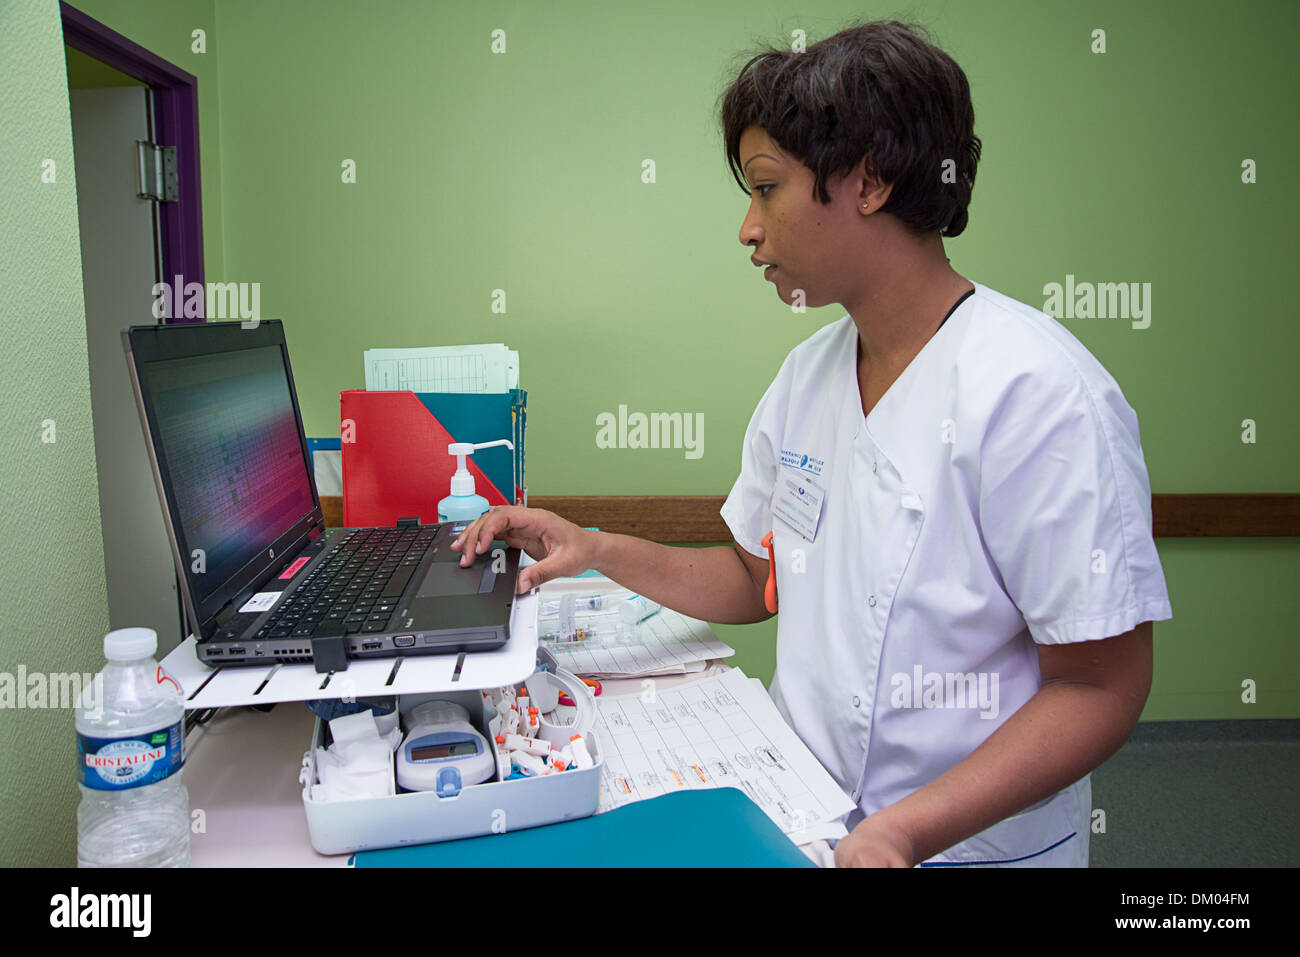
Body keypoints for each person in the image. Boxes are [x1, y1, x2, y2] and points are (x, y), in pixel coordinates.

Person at [451, 20, 1172, 867]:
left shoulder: (1039, 393)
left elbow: (1101, 687)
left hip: (967, 848)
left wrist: (907, 827)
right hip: (810, 813)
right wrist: (596, 546)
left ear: (868, 182)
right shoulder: (810, 374)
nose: (748, 230)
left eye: (766, 188)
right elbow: (758, 576)